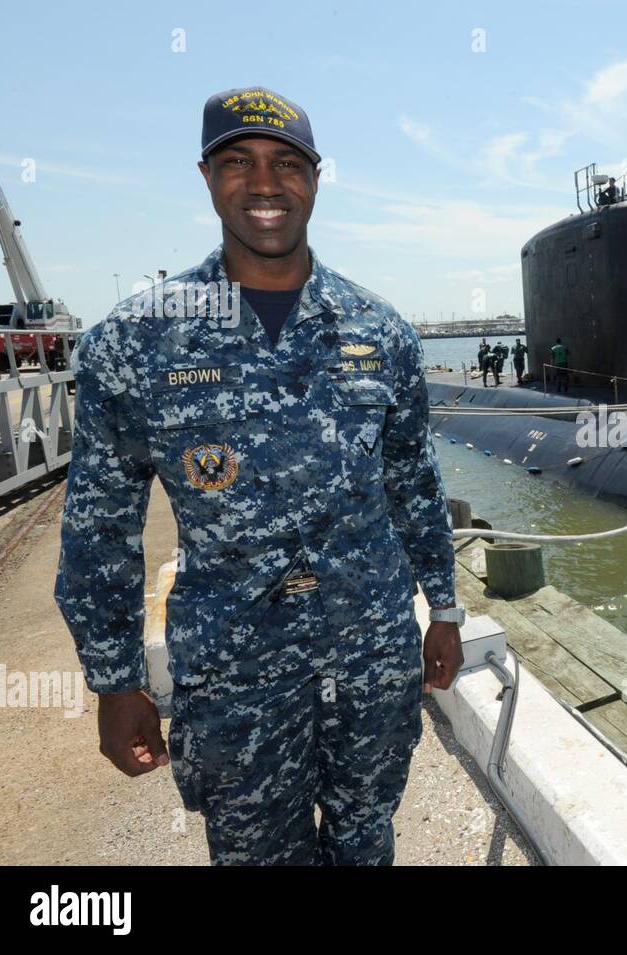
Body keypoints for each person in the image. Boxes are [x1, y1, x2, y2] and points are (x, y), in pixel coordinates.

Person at [54, 86, 465, 867]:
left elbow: (413, 482)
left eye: (287, 163)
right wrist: (114, 681)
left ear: (316, 179)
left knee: (366, 837)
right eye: (238, 161)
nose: (265, 183)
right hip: (235, 674)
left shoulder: (381, 333)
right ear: (207, 176)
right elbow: (100, 527)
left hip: (371, 655)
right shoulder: (135, 344)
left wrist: (443, 606)